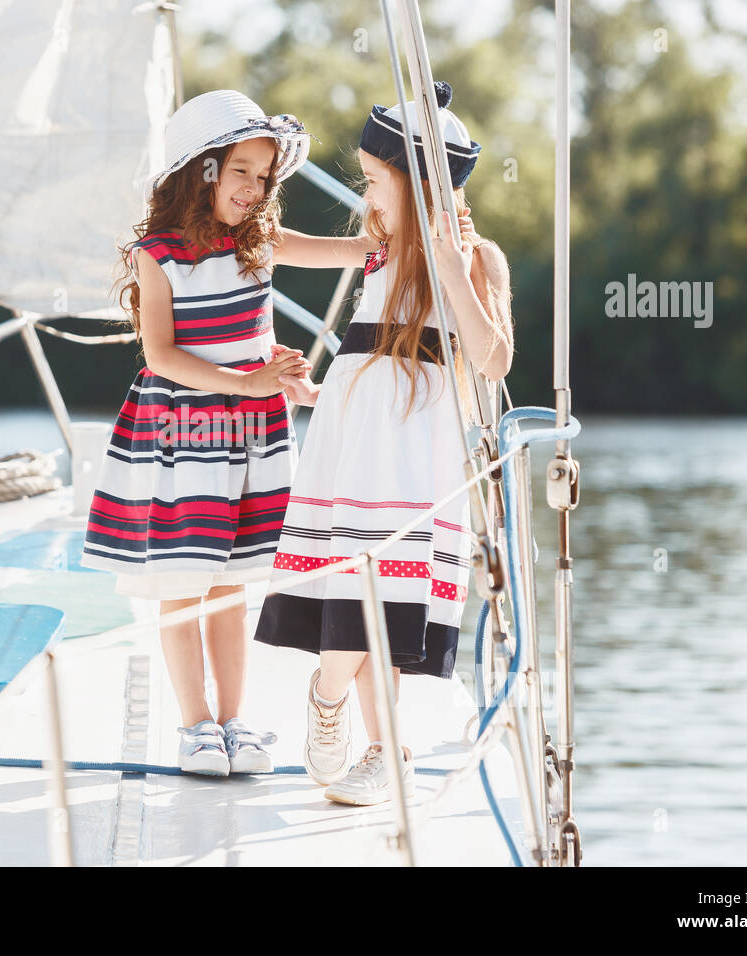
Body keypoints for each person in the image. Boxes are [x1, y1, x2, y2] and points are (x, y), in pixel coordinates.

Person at [253, 81, 515, 805]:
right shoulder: (372, 248)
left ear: (420, 183)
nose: (364, 193)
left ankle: (369, 735)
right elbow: (265, 243)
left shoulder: (475, 257)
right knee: (353, 582)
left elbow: (494, 360)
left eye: (374, 179)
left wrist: (452, 264)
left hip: (415, 446)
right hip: (354, 433)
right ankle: (343, 710)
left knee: (387, 600)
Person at [80, 90, 314, 776]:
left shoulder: (259, 244)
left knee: (233, 587)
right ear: (203, 170)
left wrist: (398, 235)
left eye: (264, 177)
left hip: (251, 438)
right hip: (185, 433)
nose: (254, 188)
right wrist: (245, 383)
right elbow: (161, 354)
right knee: (184, 581)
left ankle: (235, 721)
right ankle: (194, 725)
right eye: (241, 170)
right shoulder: (159, 254)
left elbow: (349, 252)